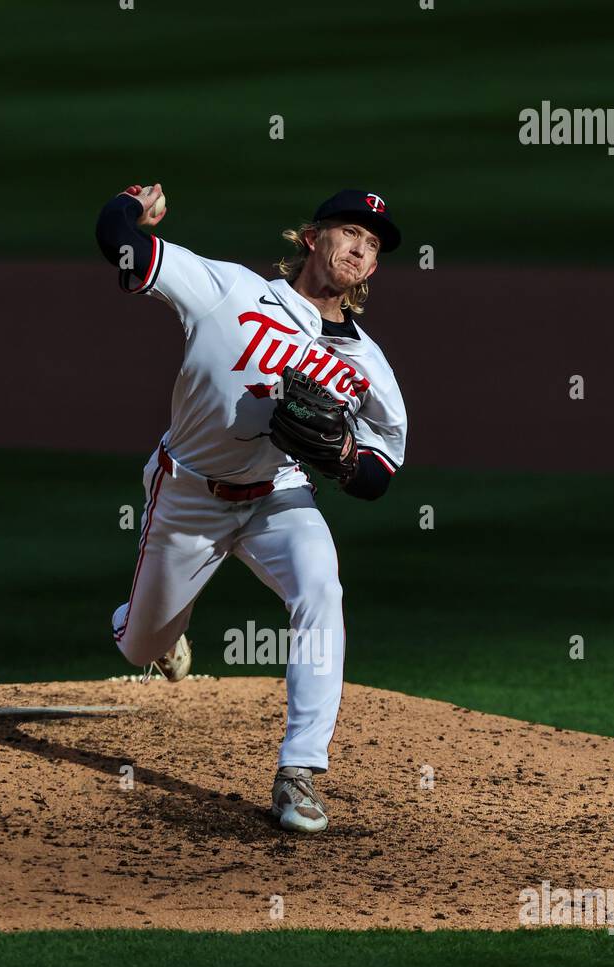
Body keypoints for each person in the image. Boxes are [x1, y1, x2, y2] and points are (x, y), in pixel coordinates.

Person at [95, 184, 408, 832]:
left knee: (321, 585)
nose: (360, 247)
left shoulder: (367, 366)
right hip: (187, 500)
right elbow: (123, 248)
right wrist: (129, 207)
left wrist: (346, 457)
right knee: (140, 645)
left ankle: (299, 773)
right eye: (350, 232)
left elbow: (380, 472)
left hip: (279, 498)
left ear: (373, 268)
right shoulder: (228, 290)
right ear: (313, 238)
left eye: (373, 244)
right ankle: (156, 631)